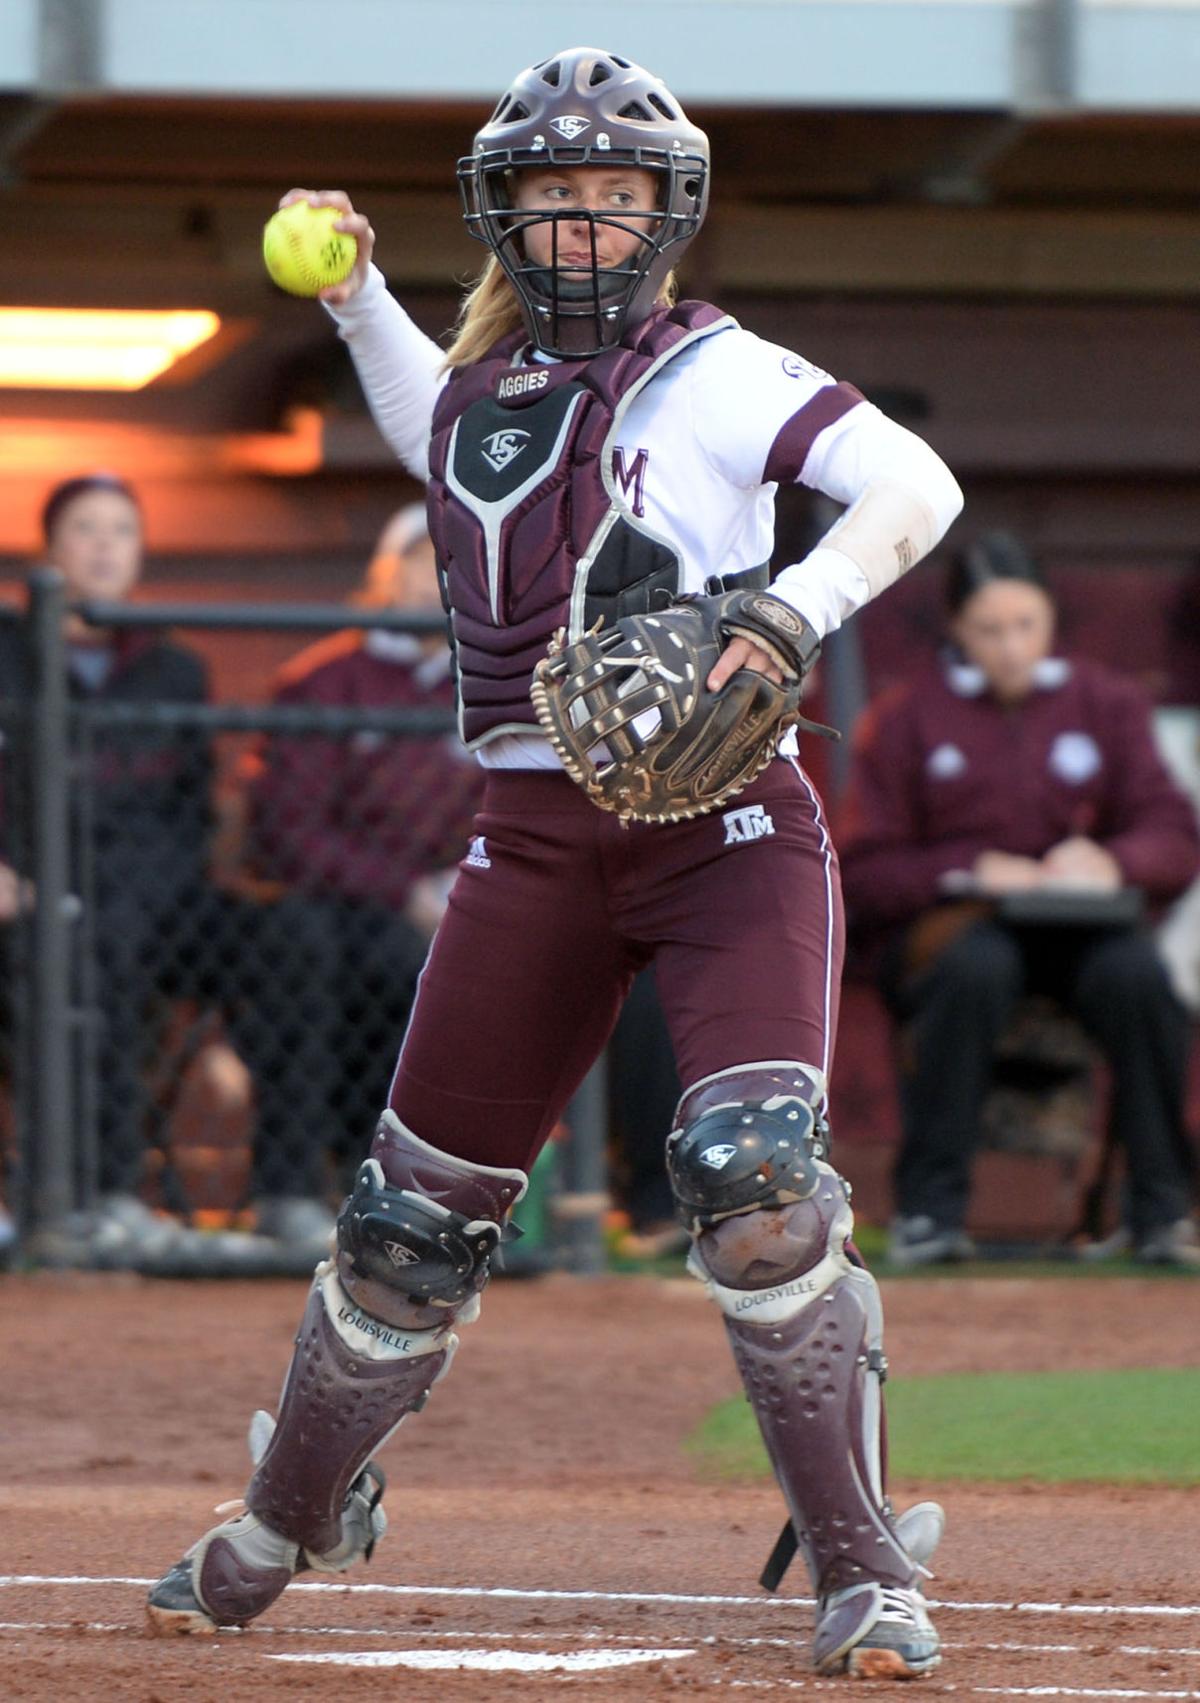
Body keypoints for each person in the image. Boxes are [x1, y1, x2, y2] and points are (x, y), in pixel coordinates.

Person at [146, 48, 964, 1678]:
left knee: (753, 1181)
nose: (582, 224)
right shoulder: (477, 392)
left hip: (723, 832)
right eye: (549, 195)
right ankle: (290, 1509)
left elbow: (913, 486)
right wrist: (359, 291)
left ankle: (866, 1562)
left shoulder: (721, 371)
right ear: (502, 217)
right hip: (528, 841)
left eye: (613, 196)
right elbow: (429, 420)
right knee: (405, 1225)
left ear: (667, 216)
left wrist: (785, 609)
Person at [839, 530, 1200, 1269]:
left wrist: (1110, 860)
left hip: (1080, 929)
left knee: (1140, 980)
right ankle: (930, 1213)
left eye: (1026, 625)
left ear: (1050, 622)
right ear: (958, 630)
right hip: (954, 930)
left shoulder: (1107, 703)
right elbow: (862, 870)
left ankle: (1162, 1210)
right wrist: (970, 867)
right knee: (976, 969)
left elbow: (1173, 837)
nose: (1011, 646)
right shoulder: (906, 716)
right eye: (990, 630)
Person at [230, 503, 483, 1251]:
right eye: (420, 557)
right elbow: (290, 829)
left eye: (453, 559)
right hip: (326, 907)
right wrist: (401, 890)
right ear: (386, 574)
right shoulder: (324, 680)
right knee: (323, 954)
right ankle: (293, 1188)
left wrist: (455, 890)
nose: (437, 575)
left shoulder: (485, 685)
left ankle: (416, 1196)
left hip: (445, 908)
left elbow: (503, 811)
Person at [0, 473, 216, 1261]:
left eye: (120, 530)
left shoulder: (176, 668)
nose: (102, 545)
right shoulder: (6, 649)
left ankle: (278, 1197)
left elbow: (193, 816)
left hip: (144, 906)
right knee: (72, 948)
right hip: (21, 895)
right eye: (85, 528)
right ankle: (52, 1198)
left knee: (293, 936)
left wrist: (143, 898)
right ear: (49, 549)